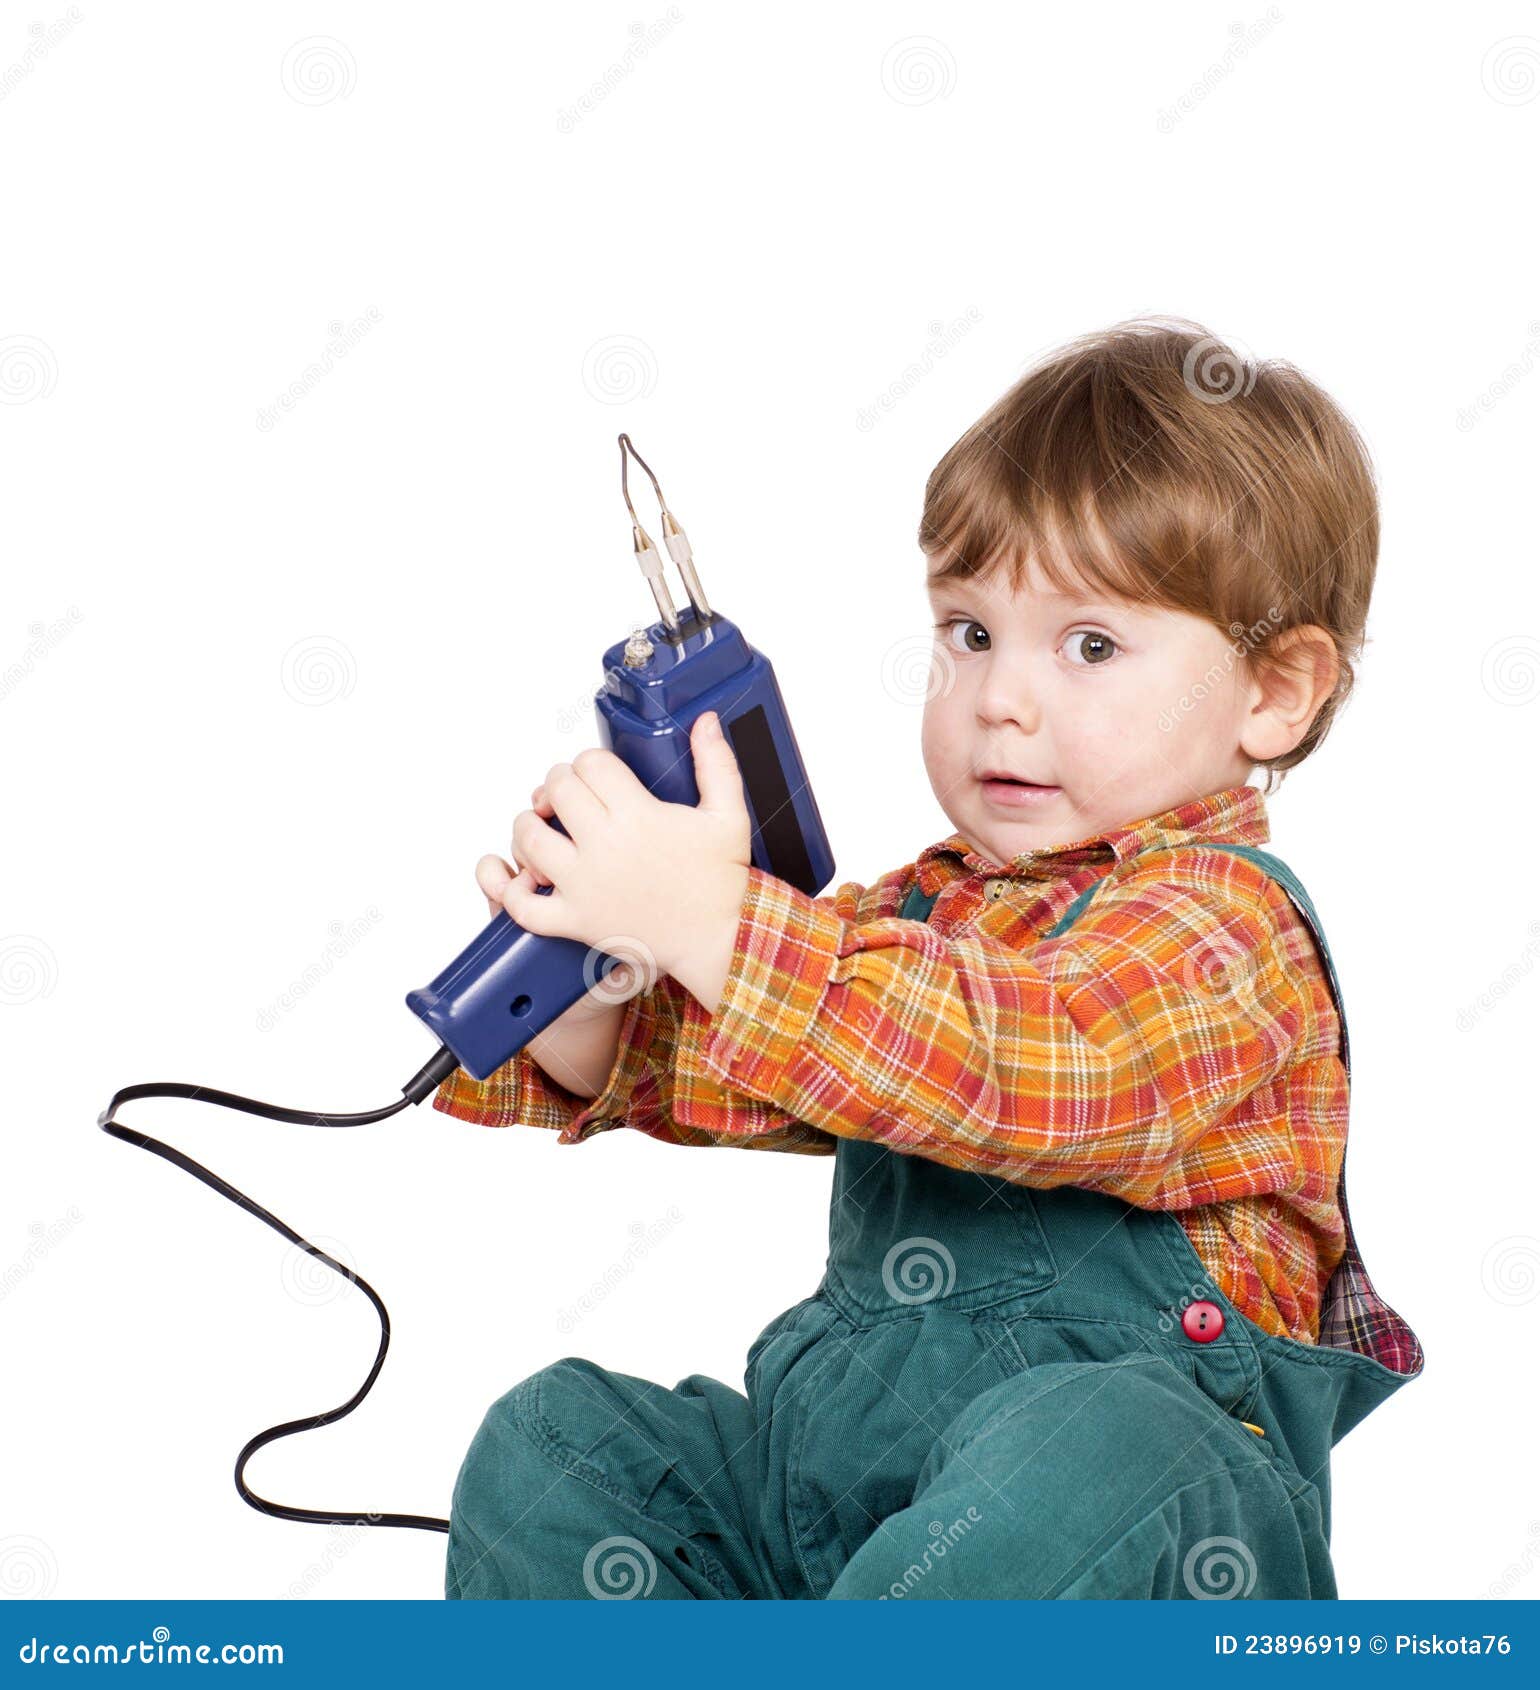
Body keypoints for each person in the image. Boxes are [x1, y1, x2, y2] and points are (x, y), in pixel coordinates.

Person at [431, 316, 1423, 1600]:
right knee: (561, 1447)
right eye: (967, 632)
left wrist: (719, 923)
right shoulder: (926, 916)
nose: (999, 696)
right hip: (850, 1528)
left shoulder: (1224, 932)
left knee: (1100, 1449)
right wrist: (601, 1000)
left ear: (1274, 692)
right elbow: (785, 1052)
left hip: (1135, 1542)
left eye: (1090, 645)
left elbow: (1032, 1067)